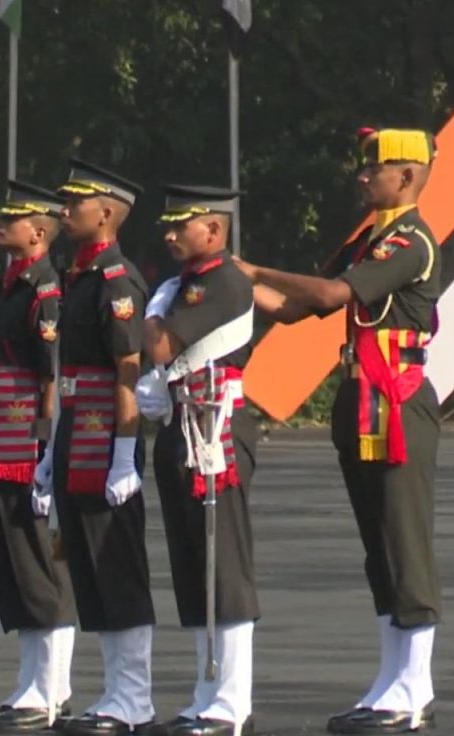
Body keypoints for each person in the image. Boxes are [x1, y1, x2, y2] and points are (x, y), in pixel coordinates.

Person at [235, 128, 441, 735]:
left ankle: (416, 682)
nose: (362, 176)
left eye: (373, 167)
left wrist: (256, 267)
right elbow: (302, 308)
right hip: (362, 396)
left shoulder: (411, 240)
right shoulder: (370, 239)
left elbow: (332, 292)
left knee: (404, 537)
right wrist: (234, 281)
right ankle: (390, 676)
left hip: (396, 397)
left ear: (406, 175)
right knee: (377, 542)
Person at [135, 185, 259, 736]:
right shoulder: (188, 283)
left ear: (212, 231)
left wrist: (154, 311)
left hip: (215, 429)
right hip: (185, 424)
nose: (168, 233)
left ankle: (230, 703)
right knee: (192, 562)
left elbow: (160, 348)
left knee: (222, 562)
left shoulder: (219, 282)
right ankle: (204, 695)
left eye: (180, 224)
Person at [0, 179, 78, 733]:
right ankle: (30, 681)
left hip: (25, 432)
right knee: (9, 554)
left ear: (37, 232)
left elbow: (50, 377)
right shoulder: (9, 285)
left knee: (34, 558)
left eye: (11, 218)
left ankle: (50, 686)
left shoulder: (44, 292)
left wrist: (45, 450)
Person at [51, 160, 155, 736]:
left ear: (108, 213)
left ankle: (134, 695)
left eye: (77, 202)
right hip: (78, 425)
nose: (66, 211)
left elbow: (128, 369)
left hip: (105, 431)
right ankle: (116, 690)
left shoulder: (117, 281)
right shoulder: (82, 275)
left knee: (116, 564)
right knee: (89, 565)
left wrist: (124, 453)